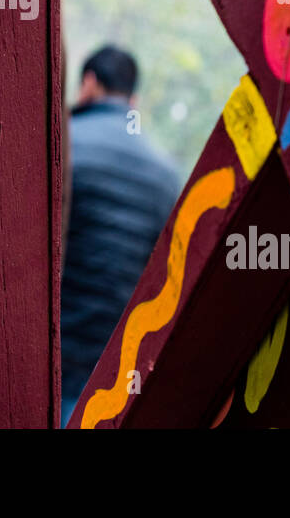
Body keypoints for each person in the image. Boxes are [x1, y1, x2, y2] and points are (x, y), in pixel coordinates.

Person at [60, 45, 180, 425]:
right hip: (114, 372)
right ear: (133, 99)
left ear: (89, 83)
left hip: (50, 355)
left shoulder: (62, 147)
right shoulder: (165, 174)